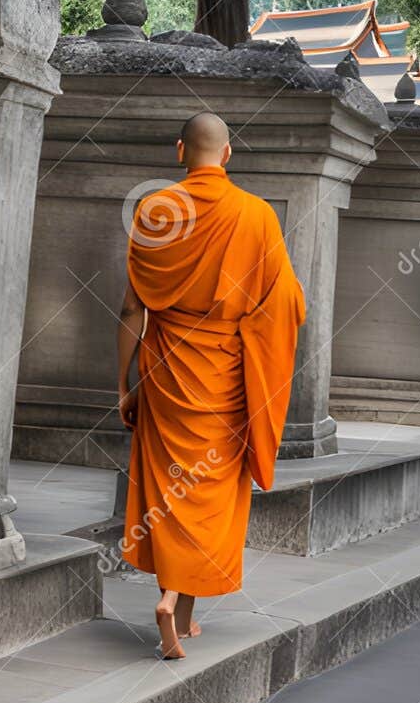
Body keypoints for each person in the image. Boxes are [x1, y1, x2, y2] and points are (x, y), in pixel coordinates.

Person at [116, 112, 306, 659]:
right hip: (225, 376)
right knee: (210, 494)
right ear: (227, 155)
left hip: (165, 370)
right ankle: (181, 606)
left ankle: (171, 600)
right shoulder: (257, 215)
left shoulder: (157, 209)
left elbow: (132, 307)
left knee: (169, 488)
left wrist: (122, 385)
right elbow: (287, 304)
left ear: (181, 151)